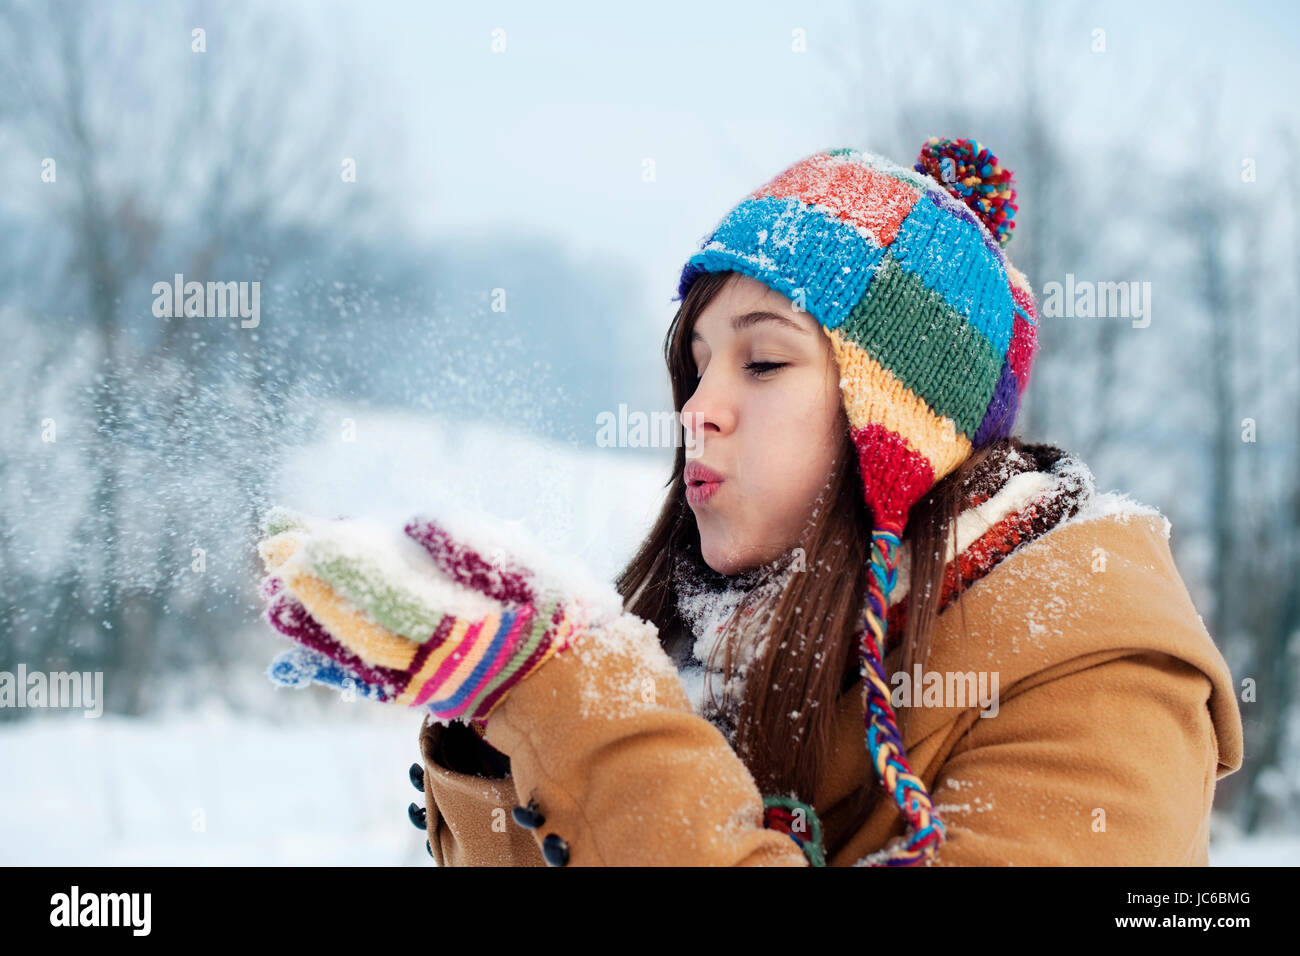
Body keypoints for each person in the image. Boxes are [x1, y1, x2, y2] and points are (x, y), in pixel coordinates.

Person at [272, 138, 1245, 866]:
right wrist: (506, 727)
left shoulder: (1104, 676)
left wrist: (593, 712)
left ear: (900, 428)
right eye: (693, 367)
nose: (698, 410)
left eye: (764, 358)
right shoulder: (710, 640)